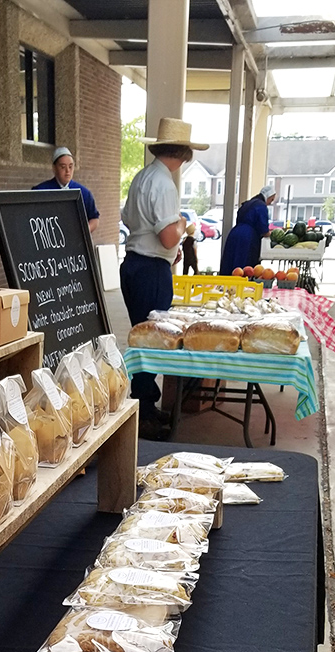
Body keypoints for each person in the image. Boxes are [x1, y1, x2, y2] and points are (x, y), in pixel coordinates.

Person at [120, 118, 208, 440]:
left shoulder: (143, 177)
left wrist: (168, 246)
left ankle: (144, 404)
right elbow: (169, 237)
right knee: (152, 342)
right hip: (150, 269)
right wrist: (184, 224)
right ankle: (143, 412)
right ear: (185, 154)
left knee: (144, 338)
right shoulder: (163, 183)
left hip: (135, 264)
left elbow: (132, 221)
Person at [33, 147, 100, 232]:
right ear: (54, 168)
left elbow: (94, 218)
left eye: (70, 167)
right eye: (63, 167)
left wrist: (83, 232)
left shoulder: (84, 193)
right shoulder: (40, 191)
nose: (68, 171)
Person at [219, 185, 276, 275]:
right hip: (247, 238)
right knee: (244, 266)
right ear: (268, 196)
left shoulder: (247, 203)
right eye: (271, 199)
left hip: (235, 233)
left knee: (230, 262)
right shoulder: (261, 206)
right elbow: (264, 230)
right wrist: (273, 234)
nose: (270, 203)